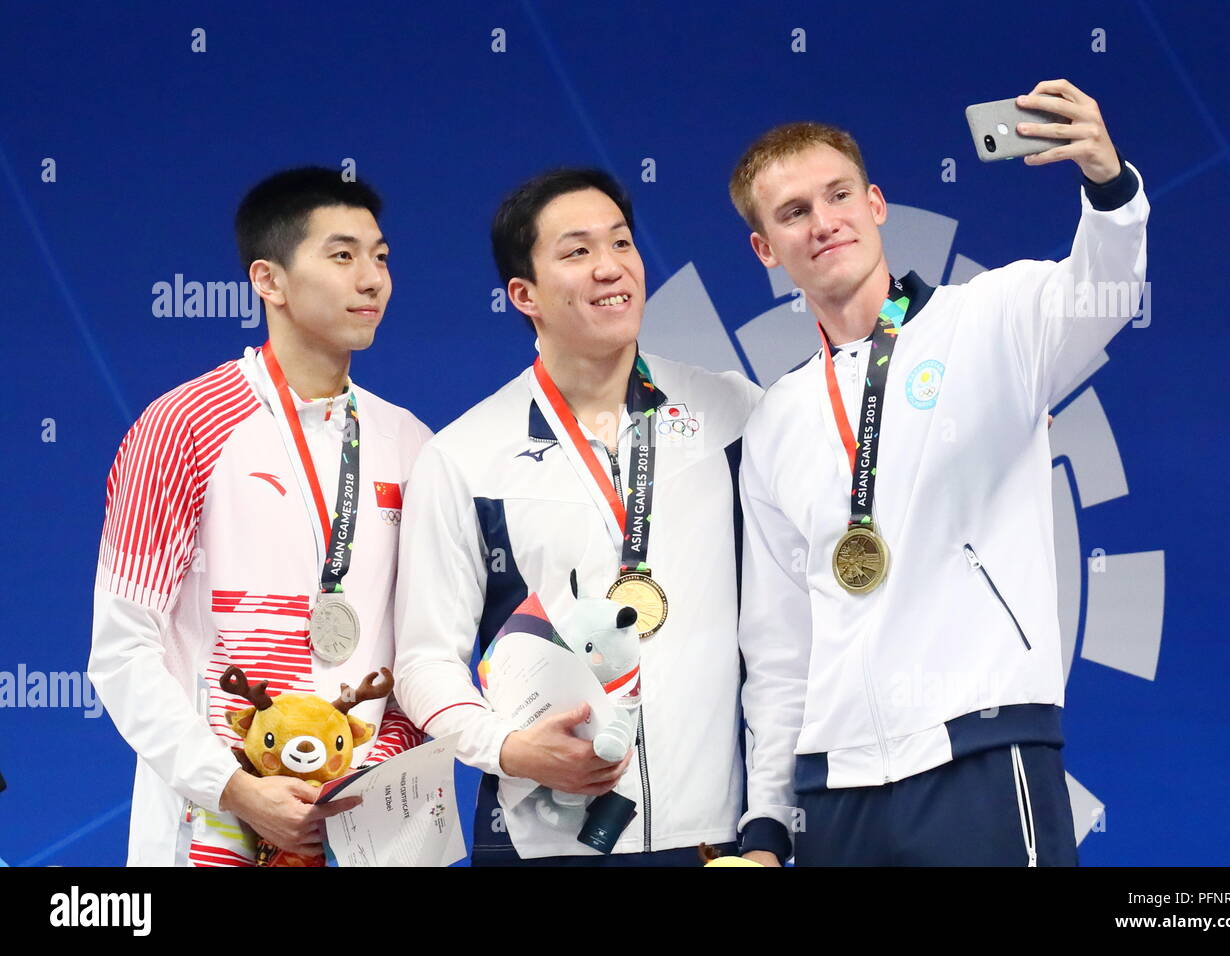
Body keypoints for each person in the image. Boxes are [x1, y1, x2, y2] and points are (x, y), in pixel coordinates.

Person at [730, 79, 1149, 865]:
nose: (824, 223)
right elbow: (779, 642)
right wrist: (768, 822)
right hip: (837, 783)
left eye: (839, 195)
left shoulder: (992, 319)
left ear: (876, 203)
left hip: (981, 747)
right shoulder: (776, 421)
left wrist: (1108, 183)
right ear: (766, 249)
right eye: (793, 213)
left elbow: (1109, 291)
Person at [393, 168, 781, 864]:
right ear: (524, 294)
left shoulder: (732, 414)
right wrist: (507, 749)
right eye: (576, 252)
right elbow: (424, 660)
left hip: (712, 841)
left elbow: (784, 641)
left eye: (622, 244)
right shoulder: (464, 456)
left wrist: (769, 828)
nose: (611, 268)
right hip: (545, 841)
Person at [88, 167, 431, 866]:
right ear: (268, 280)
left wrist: (368, 777)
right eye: (342, 256)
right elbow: (123, 648)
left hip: (363, 831)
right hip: (210, 829)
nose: (372, 279)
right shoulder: (183, 425)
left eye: (382, 257)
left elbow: (425, 649)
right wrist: (235, 788)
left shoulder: (412, 443)